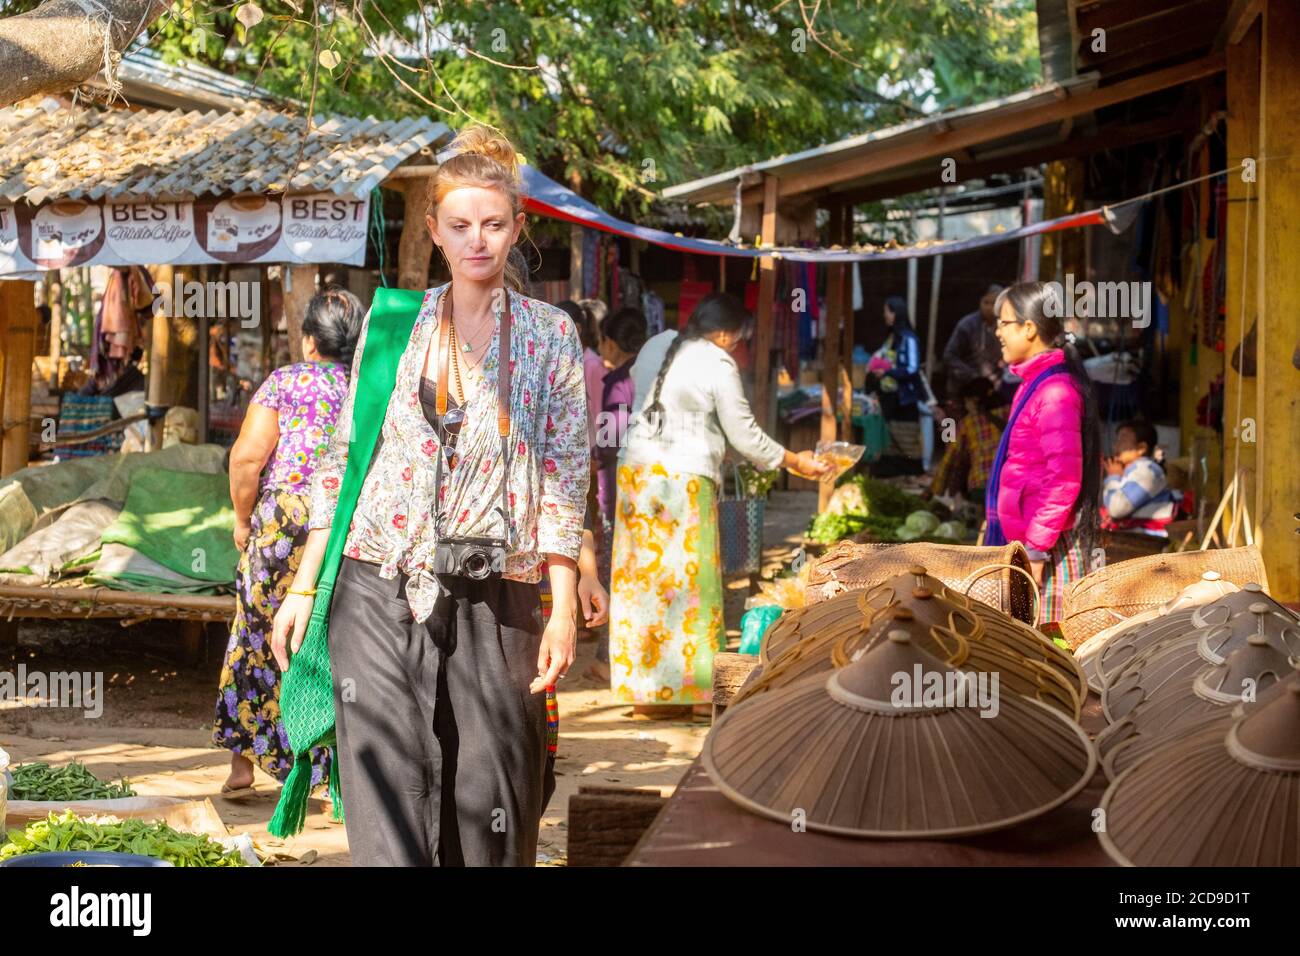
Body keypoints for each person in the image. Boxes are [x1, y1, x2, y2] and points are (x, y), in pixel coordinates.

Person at [272, 126, 590, 867]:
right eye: (459, 226)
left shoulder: (550, 337)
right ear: (435, 231)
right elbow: (343, 464)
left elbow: (568, 477)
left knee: (492, 798)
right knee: (387, 788)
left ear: (518, 228)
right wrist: (302, 584)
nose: (476, 240)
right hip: (374, 582)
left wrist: (565, 600)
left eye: (492, 224)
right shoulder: (390, 327)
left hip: (499, 592)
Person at [611, 293, 831, 716]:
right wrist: (796, 461)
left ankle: (648, 693)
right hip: (682, 484)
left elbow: (662, 404)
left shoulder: (658, 343)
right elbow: (745, 434)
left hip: (637, 477)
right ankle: (688, 690)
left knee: (644, 588)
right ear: (728, 334)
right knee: (689, 589)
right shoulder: (717, 362)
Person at [214, 288, 363, 797]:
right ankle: (326, 774)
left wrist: (241, 521)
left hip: (284, 520)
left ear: (308, 341)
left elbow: (246, 460)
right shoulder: (368, 387)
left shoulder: (285, 381)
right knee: (329, 639)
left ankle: (242, 765)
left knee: (255, 633)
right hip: (344, 523)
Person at [985, 281, 1102, 625]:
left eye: (1004, 324)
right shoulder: (1035, 383)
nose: (997, 333)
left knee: (1049, 653)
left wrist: (1035, 550)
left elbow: (1064, 479)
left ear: (1030, 328)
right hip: (1033, 544)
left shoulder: (1055, 392)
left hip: (1048, 552)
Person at [927, 376, 1003, 505]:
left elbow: (951, 456)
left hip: (981, 481)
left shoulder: (967, 420)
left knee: (954, 453)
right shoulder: (1010, 411)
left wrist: (933, 489)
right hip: (1007, 481)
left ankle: (959, 499)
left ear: (973, 400)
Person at [868, 296, 924, 469]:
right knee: (892, 437)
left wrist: (887, 371)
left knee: (906, 438)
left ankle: (912, 471)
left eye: (887, 311)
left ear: (896, 313)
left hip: (905, 398)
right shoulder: (892, 338)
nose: (885, 315)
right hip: (891, 397)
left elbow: (912, 368)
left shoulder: (909, 338)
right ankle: (896, 473)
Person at [1102, 420, 1179, 537]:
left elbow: (1117, 509)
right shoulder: (1132, 471)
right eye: (1116, 440)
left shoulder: (1147, 470)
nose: (1116, 446)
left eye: (1123, 440)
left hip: (1149, 545)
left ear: (1141, 448)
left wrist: (1113, 477)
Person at [941, 283, 1005, 399]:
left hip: (992, 390)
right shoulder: (967, 325)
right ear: (980, 302)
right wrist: (972, 375)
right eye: (986, 303)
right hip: (963, 389)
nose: (990, 307)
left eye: (994, 303)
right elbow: (949, 356)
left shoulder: (1005, 325)